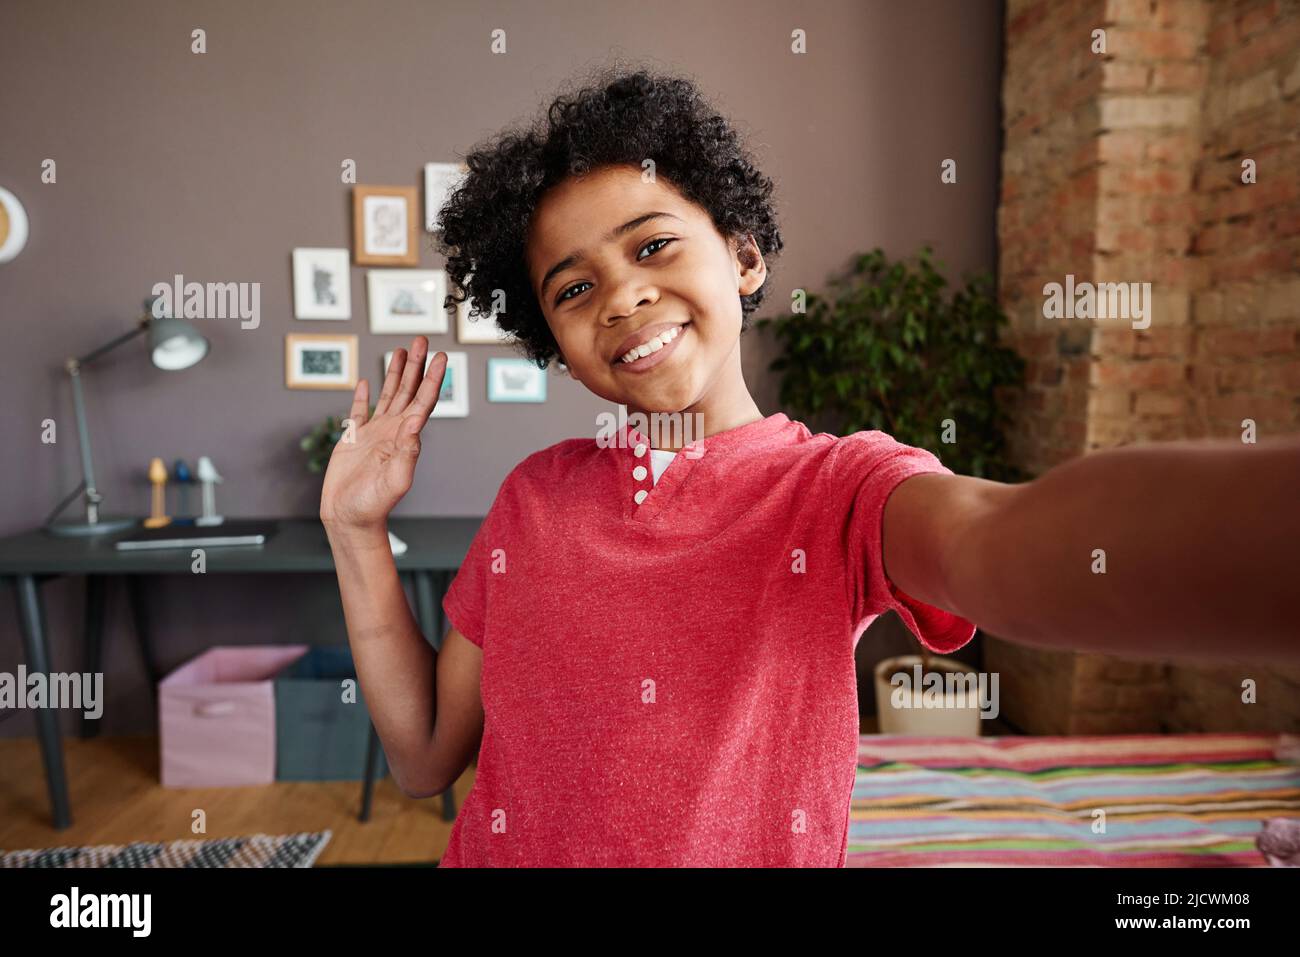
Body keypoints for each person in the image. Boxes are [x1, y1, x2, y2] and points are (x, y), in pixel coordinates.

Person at [319, 68, 1299, 867]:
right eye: (574, 288)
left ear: (742, 256)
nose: (621, 297)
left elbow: (1002, 542)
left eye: (652, 245)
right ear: (552, 337)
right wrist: (356, 530)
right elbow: (423, 758)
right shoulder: (532, 499)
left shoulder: (840, 490)